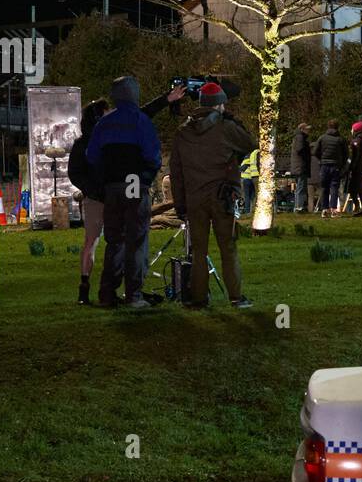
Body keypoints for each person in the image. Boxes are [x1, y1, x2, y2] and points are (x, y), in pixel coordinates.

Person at [170, 81, 255, 310]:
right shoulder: (225, 128)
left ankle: (198, 298)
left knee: (198, 251)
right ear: (220, 105)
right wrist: (232, 120)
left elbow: (176, 173)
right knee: (228, 248)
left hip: (194, 199)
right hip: (221, 196)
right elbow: (250, 142)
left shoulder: (182, 132)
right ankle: (236, 297)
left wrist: (180, 205)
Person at [86, 76, 161, 310]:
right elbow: (153, 154)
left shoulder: (104, 124)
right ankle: (134, 295)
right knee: (136, 240)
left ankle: (107, 294)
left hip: (112, 187)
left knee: (114, 240)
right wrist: (145, 178)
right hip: (134, 183)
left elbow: (92, 156)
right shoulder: (140, 120)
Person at [68, 99, 110, 305]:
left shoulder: (82, 143)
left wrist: (89, 188)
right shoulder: (106, 141)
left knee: (91, 243)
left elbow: (74, 173)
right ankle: (105, 287)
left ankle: (86, 287)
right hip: (102, 197)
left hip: (96, 198)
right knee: (103, 242)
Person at [314, 120, 347, 217]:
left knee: (324, 187)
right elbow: (346, 154)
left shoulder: (322, 138)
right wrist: (342, 164)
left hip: (324, 165)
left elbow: (315, 151)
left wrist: (321, 159)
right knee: (334, 187)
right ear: (337, 127)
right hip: (336, 166)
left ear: (328, 127)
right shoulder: (340, 139)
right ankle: (333, 209)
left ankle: (324, 209)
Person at [345, 120, 362, 216]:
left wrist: (350, 167)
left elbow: (355, 156)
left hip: (357, 168)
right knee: (360, 188)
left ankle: (359, 208)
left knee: (353, 188)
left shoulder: (357, 141)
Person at [290, 122, 312, 213]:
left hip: (297, 166)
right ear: (302, 129)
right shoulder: (300, 137)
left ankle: (298, 206)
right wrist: (307, 154)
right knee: (301, 188)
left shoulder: (297, 137)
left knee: (299, 187)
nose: (309, 131)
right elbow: (300, 149)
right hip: (300, 166)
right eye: (307, 129)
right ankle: (299, 207)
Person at [240, 149, 258, 217]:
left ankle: (247, 211)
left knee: (246, 196)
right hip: (252, 178)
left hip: (245, 180)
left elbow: (240, 169)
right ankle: (251, 210)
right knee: (253, 196)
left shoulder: (245, 161)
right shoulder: (253, 157)